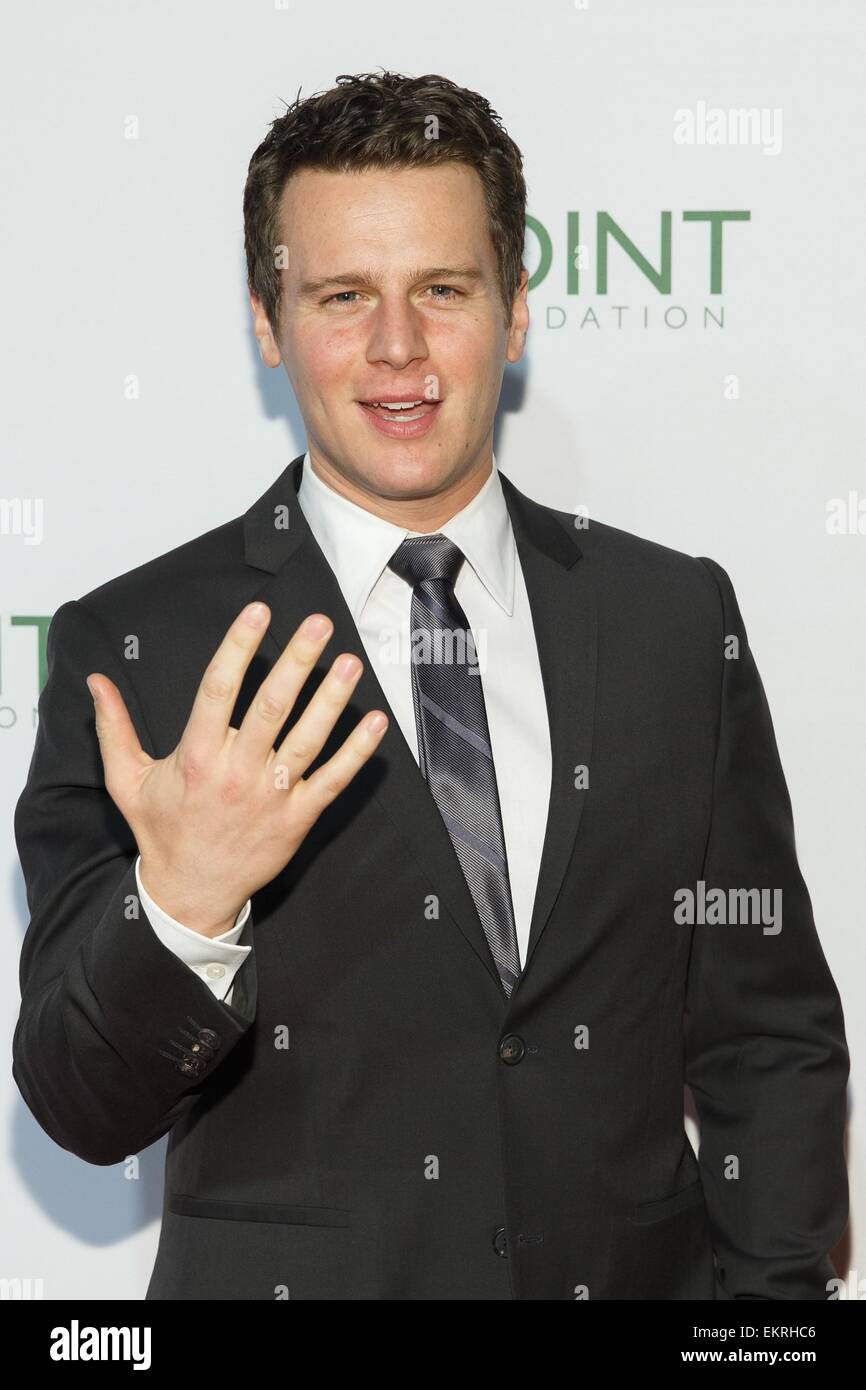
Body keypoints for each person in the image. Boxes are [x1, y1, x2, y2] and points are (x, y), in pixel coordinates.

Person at [13, 70, 849, 1301]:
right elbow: (82, 1101)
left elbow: (764, 1030)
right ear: (268, 319)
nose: (395, 348)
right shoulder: (140, 647)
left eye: (441, 290)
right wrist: (186, 904)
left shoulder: (674, 622)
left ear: (514, 311)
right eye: (342, 295)